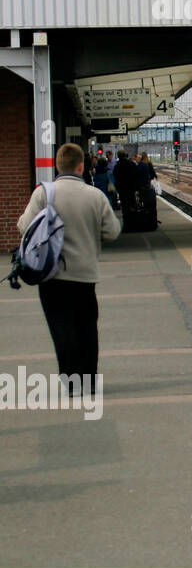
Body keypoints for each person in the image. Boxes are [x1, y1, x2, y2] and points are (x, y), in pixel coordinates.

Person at [17, 143, 121, 387]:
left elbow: (24, 226)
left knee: (61, 328)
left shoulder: (44, 193)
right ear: (81, 166)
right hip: (85, 275)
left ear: (57, 165)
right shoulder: (95, 195)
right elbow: (113, 232)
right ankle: (89, 380)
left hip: (52, 275)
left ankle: (71, 381)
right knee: (86, 327)